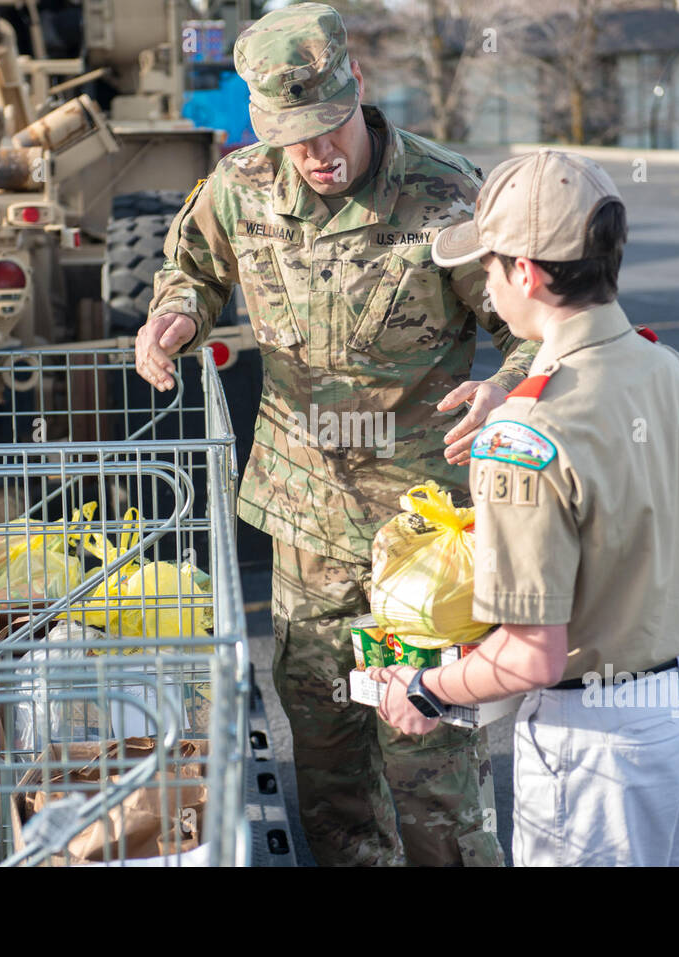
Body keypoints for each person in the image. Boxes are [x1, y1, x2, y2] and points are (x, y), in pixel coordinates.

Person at [134, 2, 538, 866]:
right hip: (307, 518)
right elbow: (191, 269)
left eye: (328, 127)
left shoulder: (446, 193)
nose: (316, 154)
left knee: (428, 754)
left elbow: (532, 324)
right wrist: (172, 317)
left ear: (357, 90)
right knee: (324, 740)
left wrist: (504, 387)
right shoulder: (240, 188)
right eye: (293, 136)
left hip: (420, 533)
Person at [370, 149, 679, 866]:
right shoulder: (678, 372)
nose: (483, 279)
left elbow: (533, 654)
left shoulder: (524, 432)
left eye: (487, 263)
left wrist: (426, 690)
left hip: (602, 739)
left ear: (528, 273)